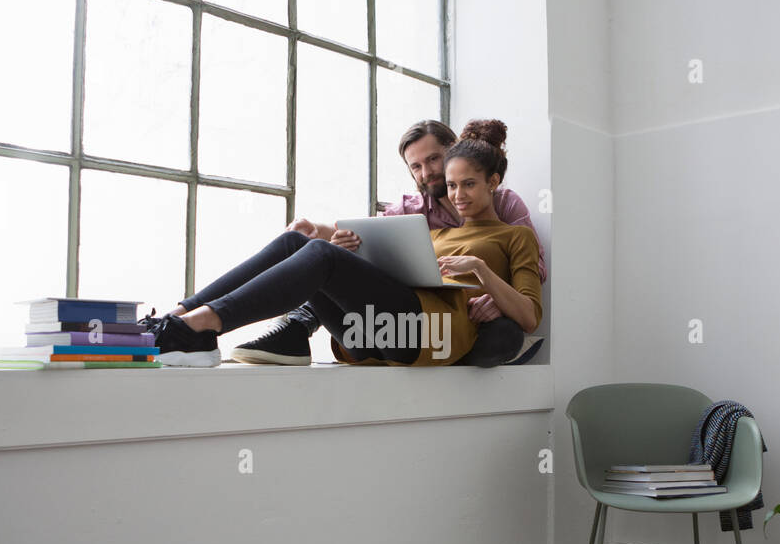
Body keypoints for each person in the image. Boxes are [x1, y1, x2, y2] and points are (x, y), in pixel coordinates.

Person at [148, 120, 542, 370]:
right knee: (295, 242)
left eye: (468, 184)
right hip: (374, 333)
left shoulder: (514, 232)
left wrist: (484, 274)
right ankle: (180, 316)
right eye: (452, 185)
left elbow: (529, 316)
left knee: (321, 254)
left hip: (431, 334)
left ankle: (202, 326)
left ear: (493, 183)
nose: (455, 194)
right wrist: (350, 248)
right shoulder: (425, 228)